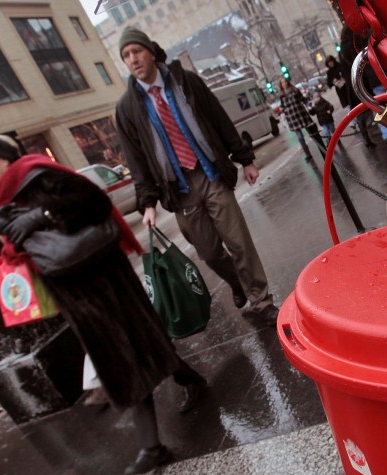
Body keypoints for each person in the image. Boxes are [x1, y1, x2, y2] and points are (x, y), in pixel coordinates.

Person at [0, 130, 207, 475]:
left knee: (126, 358)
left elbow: (95, 206)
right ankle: (189, 379)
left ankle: (151, 446)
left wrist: (41, 215)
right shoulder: (3, 203)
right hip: (74, 296)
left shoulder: (39, 174)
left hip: (105, 281)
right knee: (140, 348)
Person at [114, 27, 279, 327]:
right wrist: (147, 202)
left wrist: (245, 159)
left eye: (136, 51)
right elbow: (136, 160)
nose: (132, 59)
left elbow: (218, 119)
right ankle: (238, 283)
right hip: (179, 189)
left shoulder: (185, 82)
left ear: (150, 52)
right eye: (126, 55)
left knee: (239, 241)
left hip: (210, 173)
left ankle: (262, 300)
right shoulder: (128, 108)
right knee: (209, 252)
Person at [278, 77, 318, 162]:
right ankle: (308, 154)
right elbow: (282, 107)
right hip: (292, 118)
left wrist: (310, 107)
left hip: (301, 114)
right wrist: (283, 113)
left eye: (285, 82)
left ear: (287, 82)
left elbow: (305, 100)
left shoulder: (294, 90)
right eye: (282, 83)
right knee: (300, 137)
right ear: (281, 85)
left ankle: (320, 147)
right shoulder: (281, 95)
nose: (284, 84)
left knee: (311, 132)